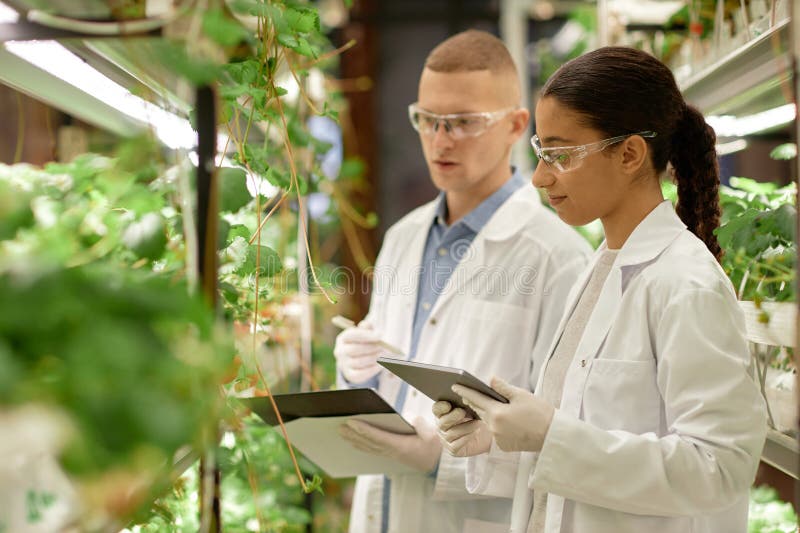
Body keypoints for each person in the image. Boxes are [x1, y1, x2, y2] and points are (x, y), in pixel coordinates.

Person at [434, 46, 768, 533]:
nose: (541, 177)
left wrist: (549, 437)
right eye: (540, 153)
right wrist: (501, 437)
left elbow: (719, 467)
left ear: (630, 153)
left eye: (560, 154)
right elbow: (585, 447)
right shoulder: (601, 268)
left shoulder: (684, 283)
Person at [333, 30, 592, 533]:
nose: (440, 139)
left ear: (517, 126)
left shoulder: (558, 257)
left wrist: (441, 458)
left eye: (464, 123)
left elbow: (565, 439)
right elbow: (390, 377)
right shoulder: (404, 237)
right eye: (428, 120)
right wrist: (355, 372)